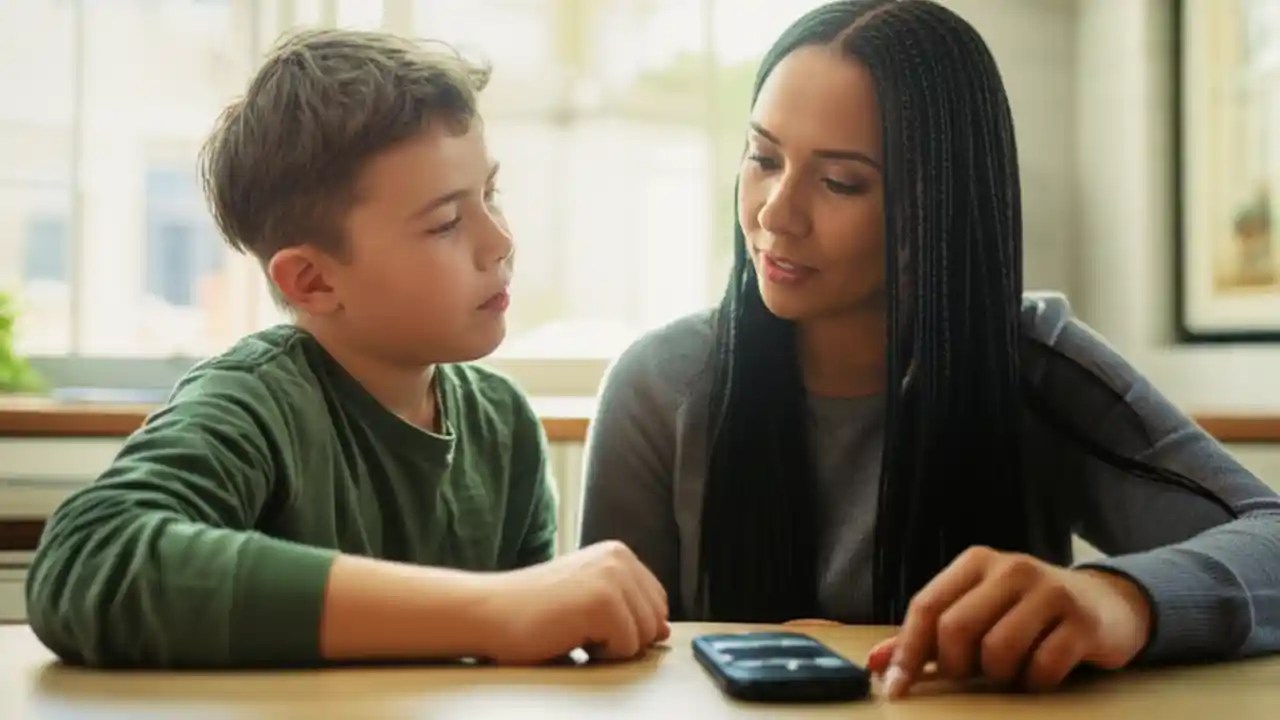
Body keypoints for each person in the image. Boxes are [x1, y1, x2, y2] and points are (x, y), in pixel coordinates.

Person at [579, 0, 1280, 699]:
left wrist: (1116, 599)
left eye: (839, 182)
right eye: (763, 158)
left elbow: (1269, 537)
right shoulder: (659, 387)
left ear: (938, 202)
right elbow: (611, 672)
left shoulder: (1036, 369)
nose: (774, 212)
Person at [26, 28, 667, 669]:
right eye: (445, 222)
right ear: (313, 280)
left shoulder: (504, 427)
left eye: (489, 195)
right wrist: (492, 610)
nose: (498, 240)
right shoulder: (254, 403)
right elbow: (89, 558)